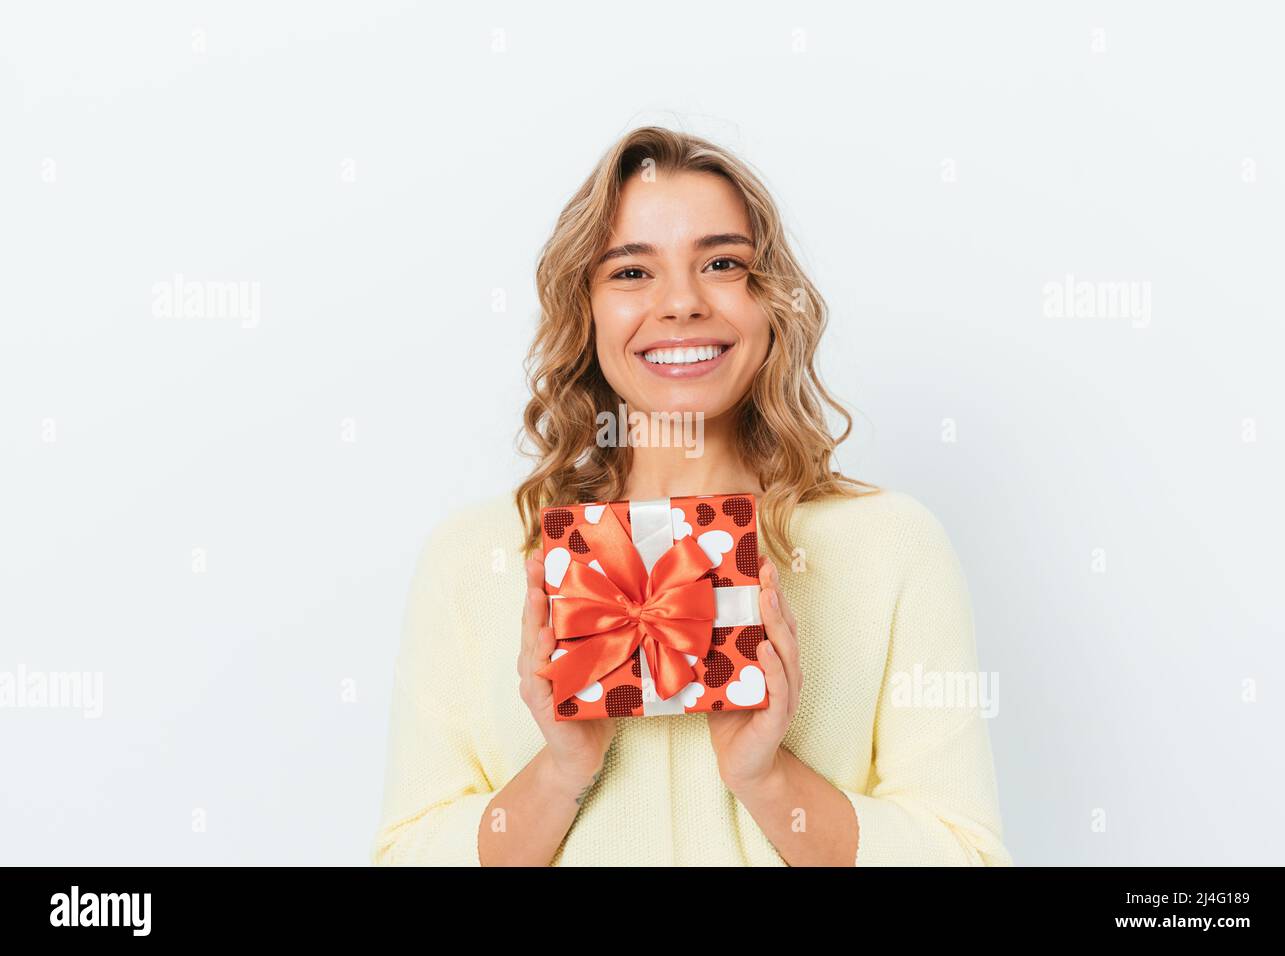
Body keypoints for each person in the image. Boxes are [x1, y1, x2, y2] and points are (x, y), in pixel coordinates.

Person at [370, 126, 1011, 866]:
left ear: (771, 301)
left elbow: (970, 857)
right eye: (631, 272)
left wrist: (767, 778)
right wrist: (560, 773)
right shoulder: (474, 559)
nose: (681, 303)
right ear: (586, 310)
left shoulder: (892, 546)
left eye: (722, 263)